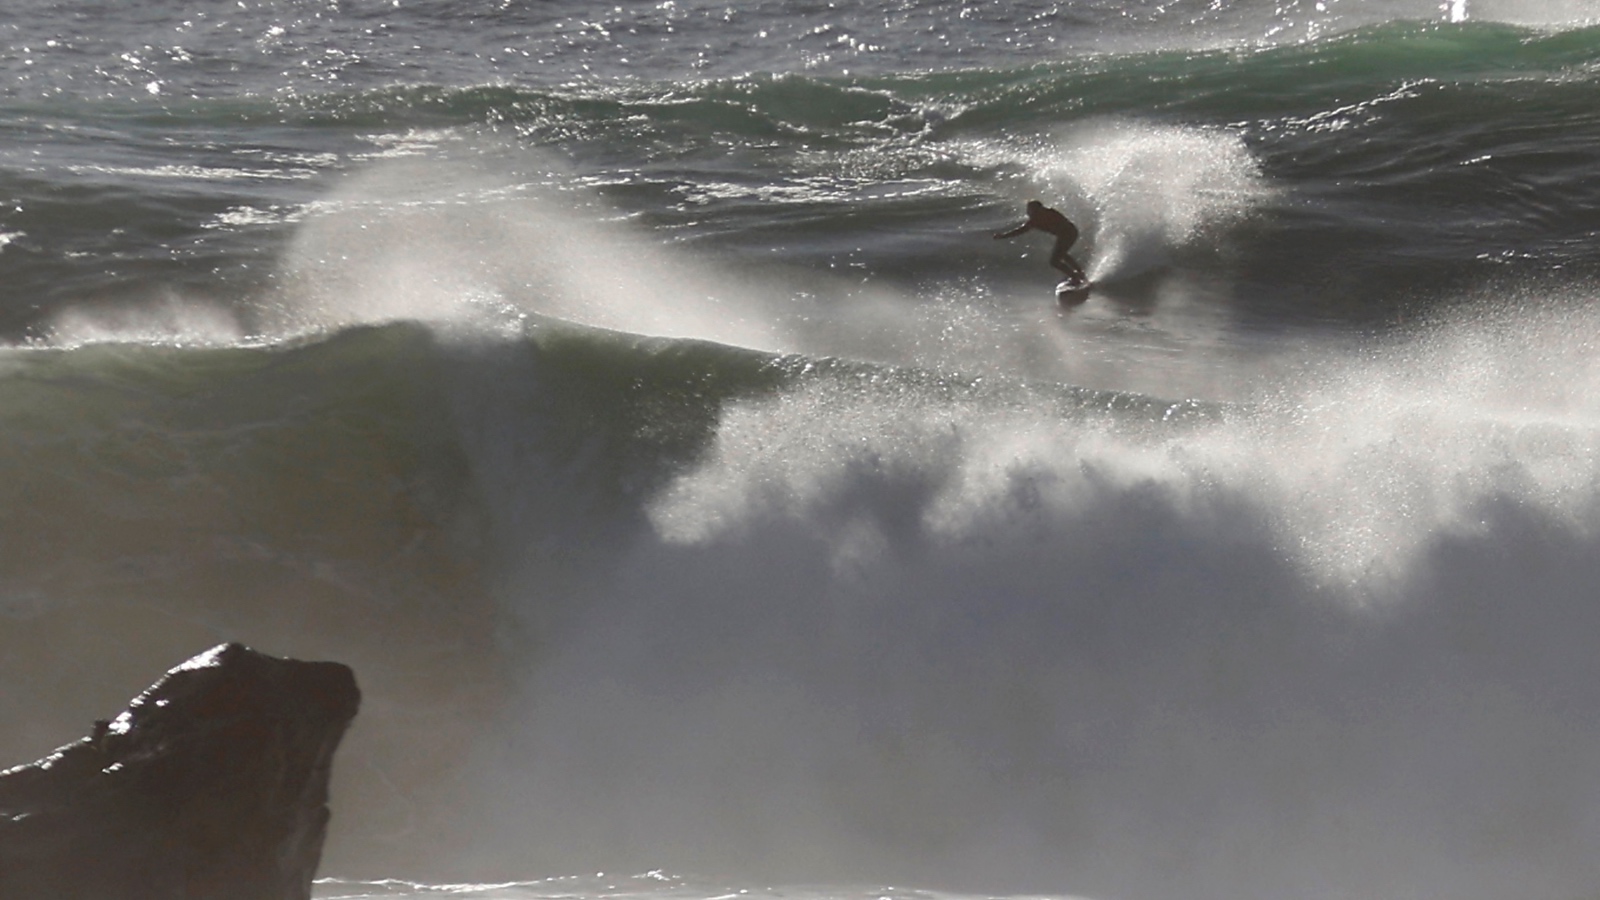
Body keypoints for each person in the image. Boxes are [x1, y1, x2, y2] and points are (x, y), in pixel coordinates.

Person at [993, 200, 1087, 286]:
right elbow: (1021, 230)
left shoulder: (1043, 215)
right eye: (1028, 210)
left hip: (1069, 233)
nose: (1028, 212)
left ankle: (1075, 277)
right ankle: (1079, 274)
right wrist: (1003, 236)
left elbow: (1021, 230)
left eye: (1030, 210)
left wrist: (1002, 236)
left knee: (1054, 260)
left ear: (1038, 209)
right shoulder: (1037, 219)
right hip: (1068, 232)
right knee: (1061, 255)